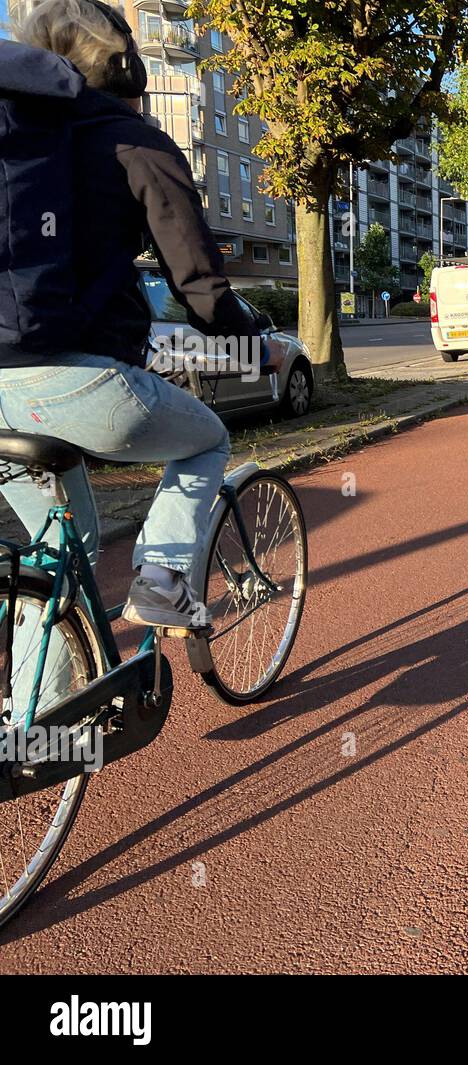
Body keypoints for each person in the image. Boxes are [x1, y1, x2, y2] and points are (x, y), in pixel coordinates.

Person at [0, 0, 259, 628]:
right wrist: (250, 338)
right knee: (207, 441)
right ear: (128, 70)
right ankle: (162, 580)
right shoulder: (135, 141)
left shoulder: (22, 140)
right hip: (72, 379)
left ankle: (44, 723)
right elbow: (196, 279)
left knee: (63, 560)